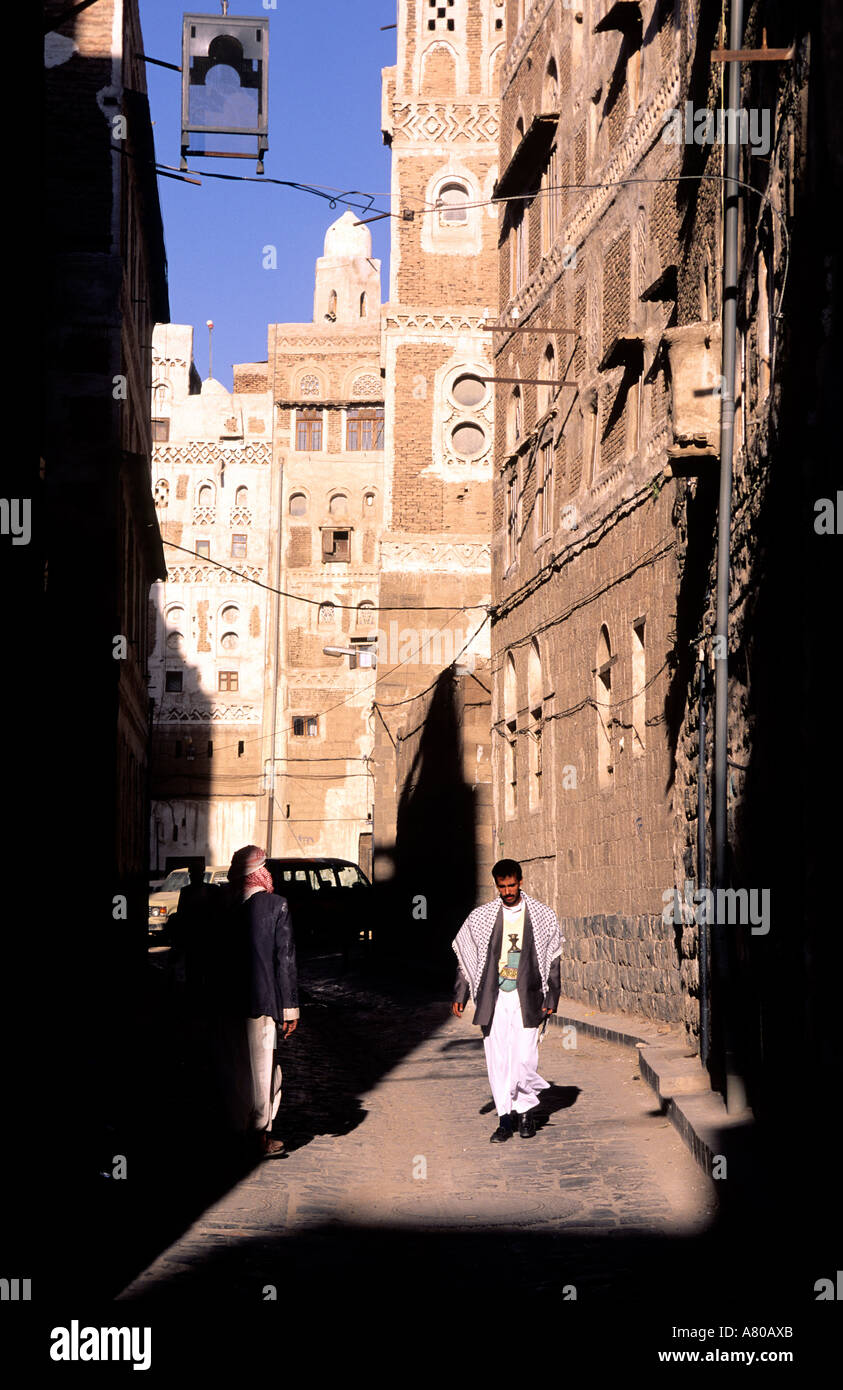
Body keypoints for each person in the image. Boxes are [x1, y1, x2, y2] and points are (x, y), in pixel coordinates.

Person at [452, 859, 563, 1142]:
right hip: (495, 996)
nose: (507, 891)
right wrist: (461, 993)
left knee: (524, 1058)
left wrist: (553, 994)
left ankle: (525, 1113)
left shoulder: (541, 915)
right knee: (498, 1058)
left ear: (521, 881)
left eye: (511, 885)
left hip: (527, 996)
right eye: (502, 886)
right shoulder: (482, 917)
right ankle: (505, 1118)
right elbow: (469, 956)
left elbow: (553, 959)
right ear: (497, 886)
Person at [218, 845, 299, 1159]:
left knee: (234, 1069)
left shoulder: (221, 906)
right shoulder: (276, 905)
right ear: (260, 872)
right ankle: (259, 1139)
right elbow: (285, 961)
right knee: (263, 1072)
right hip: (262, 1004)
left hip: (225, 1004)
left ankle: (236, 1132)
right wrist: (290, 1010)